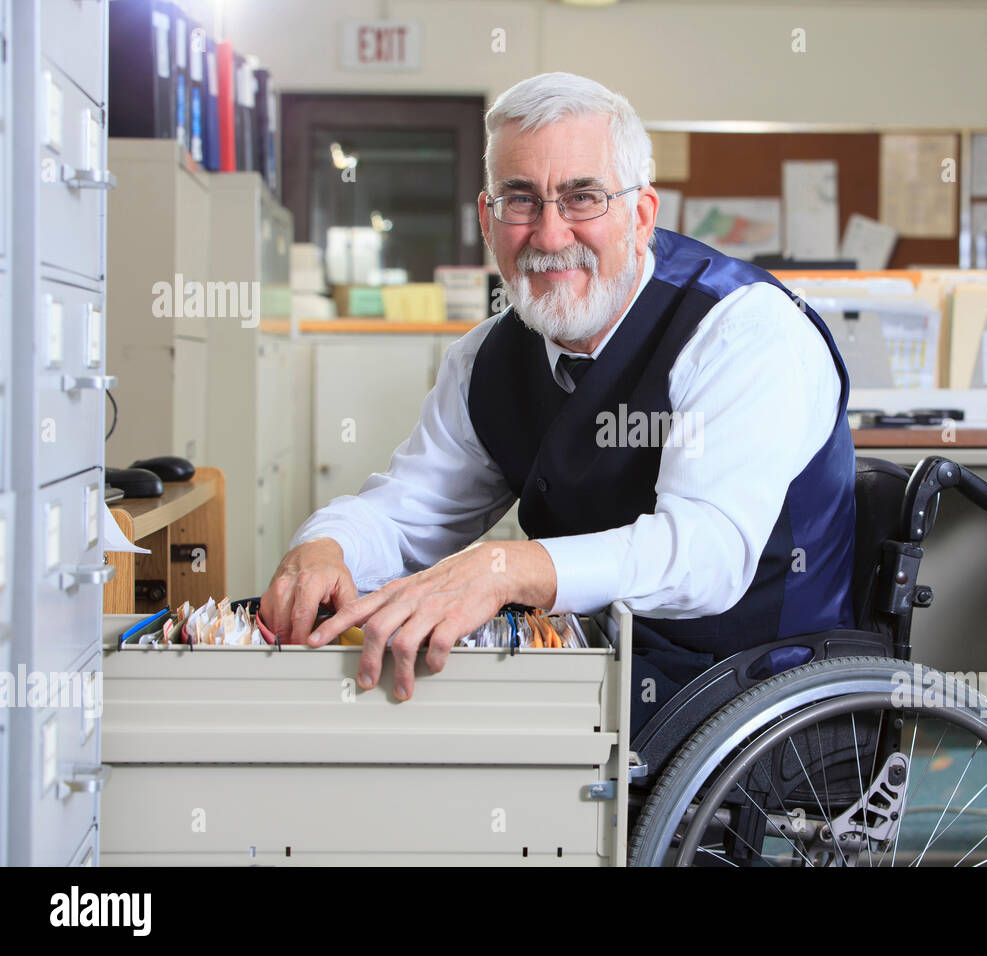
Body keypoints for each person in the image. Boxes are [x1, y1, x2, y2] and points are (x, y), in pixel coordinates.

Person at [258, 71, 858, 734]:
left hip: (750, 701)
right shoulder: (486, 359)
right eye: (520, 201)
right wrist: (328, 545)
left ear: (641, 215)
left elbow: (706, 555)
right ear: (488, 222)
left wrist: (507, 566)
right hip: (591, 669)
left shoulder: (741, 330)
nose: (548, 236)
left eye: (582, 198)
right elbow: (407, 517)